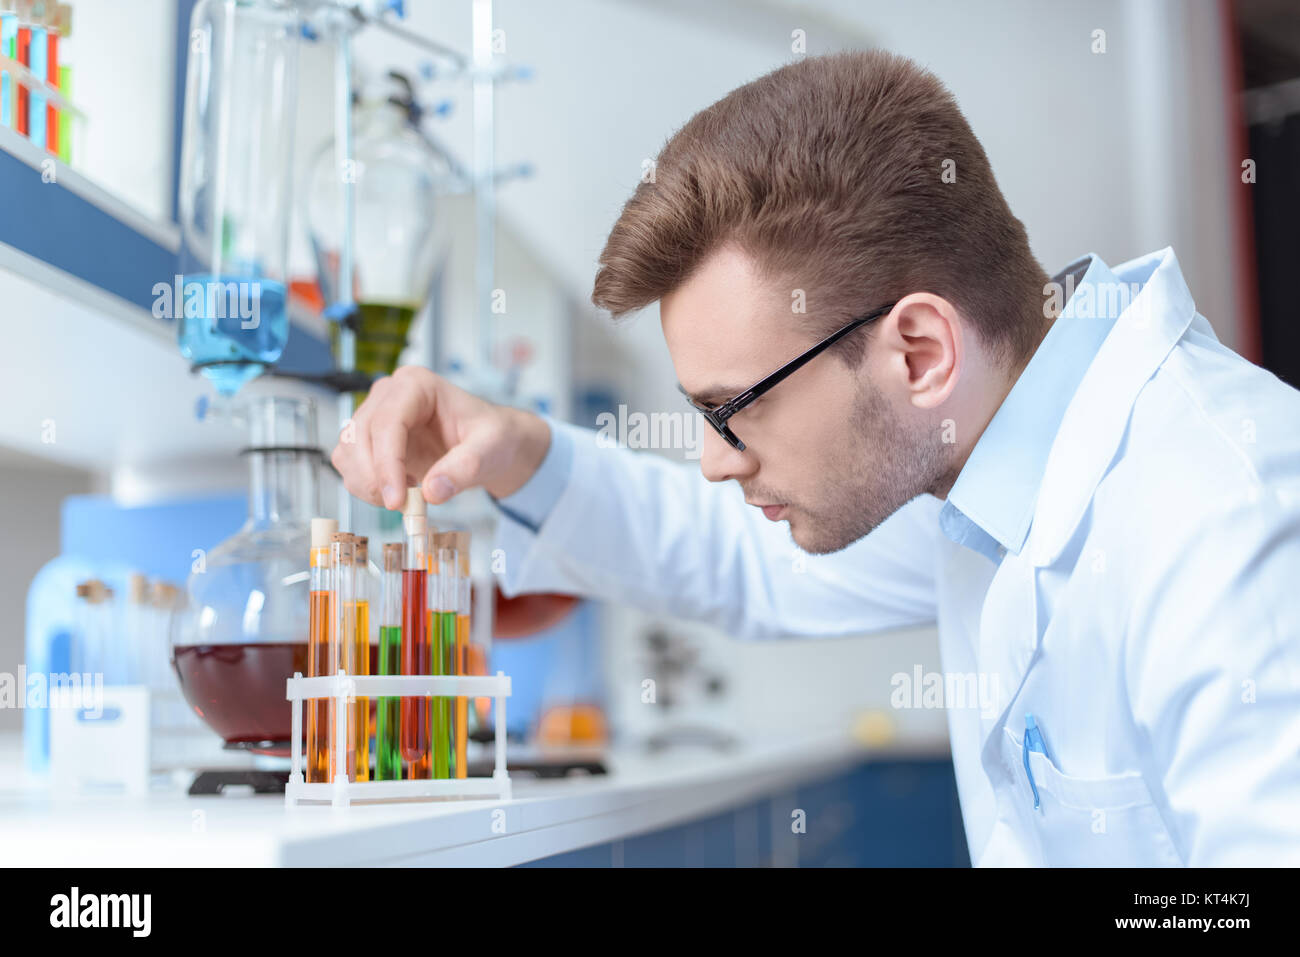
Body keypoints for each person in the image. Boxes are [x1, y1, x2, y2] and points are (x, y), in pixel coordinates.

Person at [331, 50, 1300, 866]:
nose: (714, 463)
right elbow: (743, 561)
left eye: (731, 411)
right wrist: (522, 453)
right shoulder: (982, 478)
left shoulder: (1231, 515)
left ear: (918, 353)